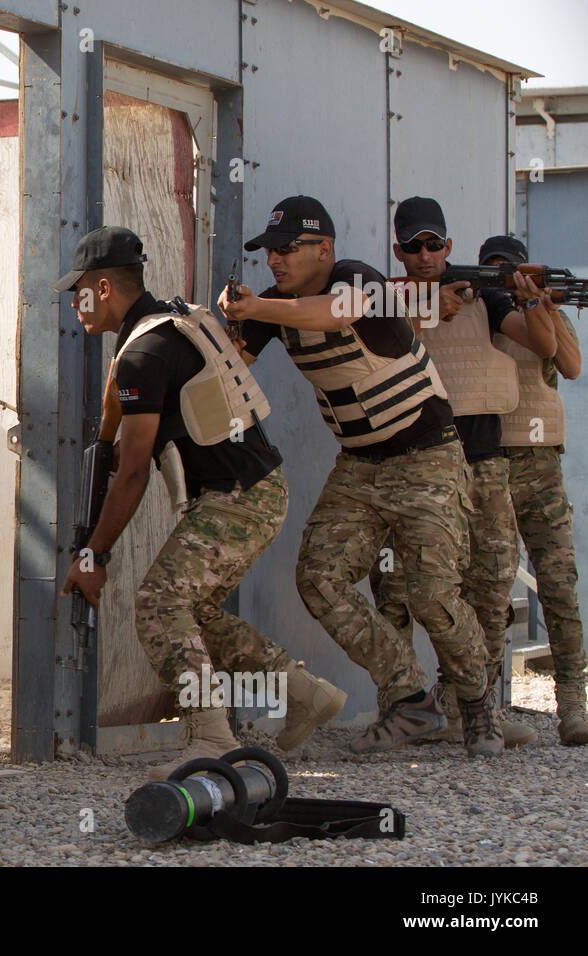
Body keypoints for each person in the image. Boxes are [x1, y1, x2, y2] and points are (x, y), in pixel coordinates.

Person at [57, 226, 347, 780]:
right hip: (255, 491)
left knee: (160, 604)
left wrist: (94, 557)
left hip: (238, 499)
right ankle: (306, 695)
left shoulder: (143, 352)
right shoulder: (169, 323)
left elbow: (134, 472)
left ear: (102, 286)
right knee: (198, 614)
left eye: (79, 292)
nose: (75, 304)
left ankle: (209, 734)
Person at [221, 195, 500, 757]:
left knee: (431, 594)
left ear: (323, 249)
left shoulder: (357, 279)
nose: (274, 262)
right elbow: (232, 362)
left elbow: (334, 313)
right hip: (360, 467)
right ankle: (410, 701)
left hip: (428, 458)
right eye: (268, 252)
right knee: (319, 578)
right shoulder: (276, 305)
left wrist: (257, 310)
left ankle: (476, 703)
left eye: (286, 250)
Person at [371, 199, 555, 748]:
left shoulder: (486, 295)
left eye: (434, 245)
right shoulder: (385, 299)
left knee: (492, 584)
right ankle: (403, 708)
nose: (425, 256)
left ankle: (467, 709)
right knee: (398, 589)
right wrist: (430, 306)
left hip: (482, 459)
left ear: (449, 247)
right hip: (412, 462)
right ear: (399, 251)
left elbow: (544, 347)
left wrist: (536, 302)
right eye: (413, 246)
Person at [486, 235, 588, 745]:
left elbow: (570, 366)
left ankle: (572, 705)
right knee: (489, 588)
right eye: (495, 270)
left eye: (511, 268)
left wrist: (539, 307)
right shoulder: (478, 312)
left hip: (541, 463)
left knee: (558, 587)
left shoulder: (541, 310)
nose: (504, 276)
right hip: (491, 462)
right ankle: (485, 706)